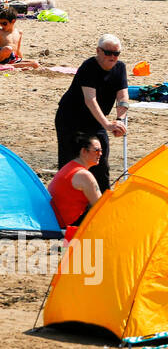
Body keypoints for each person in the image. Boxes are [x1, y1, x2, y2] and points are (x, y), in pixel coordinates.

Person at [55, 34, 128, 192]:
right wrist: (108, 124)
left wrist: (119, 120)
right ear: (98, 51)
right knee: (71, 162)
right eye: (108, 53)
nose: (113, 57)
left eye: (116, 54)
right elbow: (90, 100)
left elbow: (122, 96)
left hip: (96, 121)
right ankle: (64, 200)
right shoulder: (89, 67)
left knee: (100, 162)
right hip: (71, 119)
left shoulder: (120, 68)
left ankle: (99, 203)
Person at [46, 133, 103, 229]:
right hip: (67, 226)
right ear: (84, 151)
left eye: (101, 150)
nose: (100, 154)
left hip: (54, 221)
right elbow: (101, 206)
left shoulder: (69, 166)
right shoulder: (84, 175)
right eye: (97, 150)